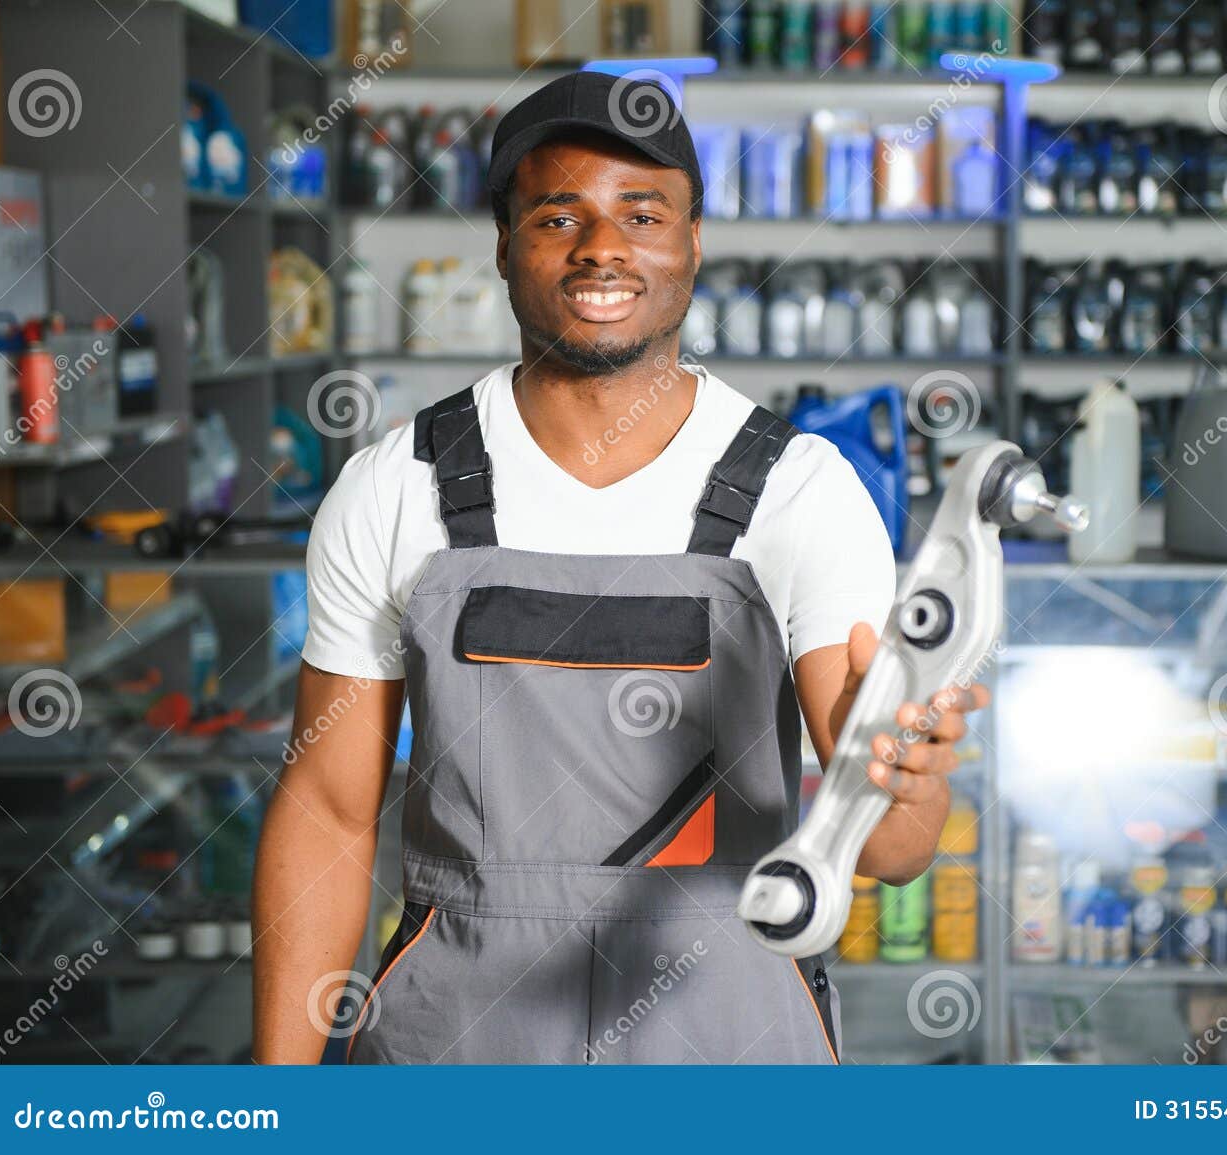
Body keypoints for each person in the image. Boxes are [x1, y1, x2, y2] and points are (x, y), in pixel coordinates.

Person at [252, 71, 988, 1064]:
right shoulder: (396, 488)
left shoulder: (798, 489)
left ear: (692, 243)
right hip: (462, 1034)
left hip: (726, 1027)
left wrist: (913, 784)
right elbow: (330, 813)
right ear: (506, 245)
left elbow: (894, 855)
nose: (602, 247)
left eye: (642, 213)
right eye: (559, 215)